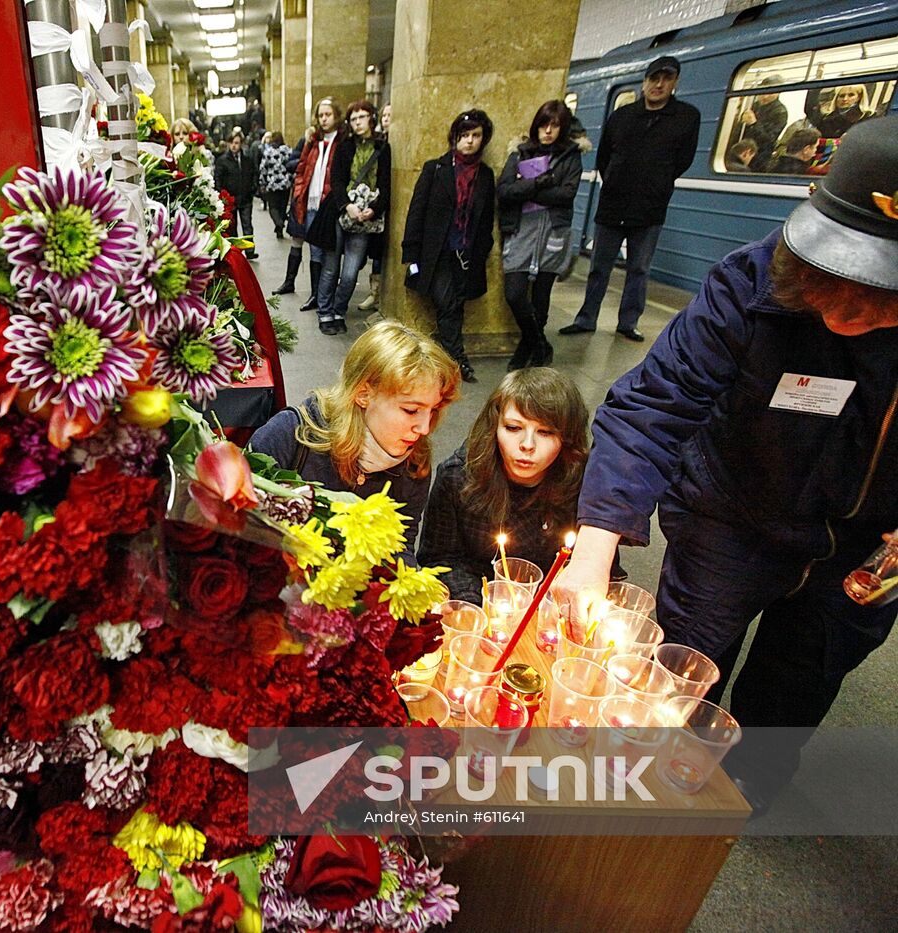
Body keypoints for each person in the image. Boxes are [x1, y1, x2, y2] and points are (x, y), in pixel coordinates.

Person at [553, 115, 898, 813]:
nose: (848, 313)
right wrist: (595, 545)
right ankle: (654, 803)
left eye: (877, 299)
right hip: (729, 519)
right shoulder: (748, 282)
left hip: (860, 554)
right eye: (835, 284)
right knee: (681, 674)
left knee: (794, 692)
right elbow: (655, 405)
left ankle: (741, 800)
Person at [249, 320, 461, 558]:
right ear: (363, 394)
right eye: (411, 410)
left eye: (433, 410)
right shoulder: (290, 435)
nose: (424, 428)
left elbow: (400, 547)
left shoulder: (415, 462)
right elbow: (237, 527)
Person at [418, 367, 603, 603]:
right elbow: (440, 559)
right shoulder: (458, 478)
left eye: (545, 432)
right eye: (513, 428)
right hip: (479, 604)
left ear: (567, 438)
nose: (527, 445)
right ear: (494, 426)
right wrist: (472, 602)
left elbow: (594, 565)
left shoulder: (585, 483)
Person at [560, 55, 700, 343]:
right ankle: (586, 317)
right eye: (653, 78)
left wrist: (657, 182)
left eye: (666, 79)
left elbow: (683, 160)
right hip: (613, 203)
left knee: (639, 268)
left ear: (675, 82)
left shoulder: (686, 117)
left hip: (650, 207)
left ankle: (628, 322)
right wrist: (616, 181)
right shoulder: (622, 116)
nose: (658, 84)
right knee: (600, 266)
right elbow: (604, 157)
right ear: (644, 82)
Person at [402, 109, 497, 384]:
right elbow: (416, 211)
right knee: (447, 304)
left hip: (467, 253)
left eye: (475, 135)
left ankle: (447, 356)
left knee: (457, 304)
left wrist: (483, 251)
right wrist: (411, 253)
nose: (469, 141)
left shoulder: (485, 175)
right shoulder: (437, 169)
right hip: (438, 253)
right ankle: (456, 359)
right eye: (464, 135)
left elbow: (486, 218)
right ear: (454, 137)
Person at [497, 99, 584, 369]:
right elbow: (506, 191)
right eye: (544, 125)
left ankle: (526, 347)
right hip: (522, 230)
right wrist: (539, 183)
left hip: (553, 230)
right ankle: (539, 343)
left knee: (542, 295)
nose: (547, 131)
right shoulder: (520, 153)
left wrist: (530, 189)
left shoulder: (571, 156)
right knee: (515, 292)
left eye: (554, 126)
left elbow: (567, 194)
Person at [306, 100, 392, 336]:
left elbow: (386, 183)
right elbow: (337, 180)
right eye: (353, 119)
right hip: (341, 213)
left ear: (371, 119)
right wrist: (348, 206)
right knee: (331, 266)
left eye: (362, 117)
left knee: (351, 272)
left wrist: (374, 209)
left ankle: (339, 311)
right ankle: (325, 312)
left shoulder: (383, 149)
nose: (357, 123)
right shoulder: (344, 147)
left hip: (366, 219)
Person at [277, 98, 345, 307]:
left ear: (336, 116)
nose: (324, 119)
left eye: (328, 115)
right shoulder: (312, 140)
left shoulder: (342, 141)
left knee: (331, 254)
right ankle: (316, 295)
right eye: (321, 115)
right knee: (314, 251)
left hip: (330, 203)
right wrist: (299, 193)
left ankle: (326, 296)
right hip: (310, 201)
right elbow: (300, 167)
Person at [358, 102, 395, 313]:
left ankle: (377, 294)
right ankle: (375, 293)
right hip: (370, 205)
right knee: (374, 254)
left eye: (391, 115)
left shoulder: (388, 145)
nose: (386, 119)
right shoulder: (377, 144)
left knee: (379, 253)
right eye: (384, 115)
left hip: (383, 206)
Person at [214, 130, 259, 257]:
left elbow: (253, 174)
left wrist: (253, 189)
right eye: (232, 143)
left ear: (241, 144)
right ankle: (236, 251)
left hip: (245, 197)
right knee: (232, 227)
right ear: (228, 143)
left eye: (237, 143)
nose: (234, 145)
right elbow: (218, 178)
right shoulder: (222, 161)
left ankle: (250, 250)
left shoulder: (247, 160)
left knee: (247, 225)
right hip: (230, 199)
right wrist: (221, 195)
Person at [737, 74, 789, 159]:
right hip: (741, 150)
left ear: (778, 92)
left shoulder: (780, 112)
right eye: (763, 91)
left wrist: (754, 124)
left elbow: (769, 140)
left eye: (771, 93)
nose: (765, 96)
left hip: (759, 156)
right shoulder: (754, 105)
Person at [258, 131, 293, 242]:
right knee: (282, 207)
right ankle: (280, 229)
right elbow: (292, 165)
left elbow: (263, 168)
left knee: (273, 207)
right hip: (285, 184)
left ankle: (278, 223)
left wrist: (262, 182)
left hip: (272, 184)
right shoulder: (287, 150)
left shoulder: (268, 152)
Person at [806, 84, 872, 139]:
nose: (845, 99)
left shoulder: (868, 117)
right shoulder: (826, 119)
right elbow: (811, 112)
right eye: (842, 96)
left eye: (851, 95)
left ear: (859, 97)